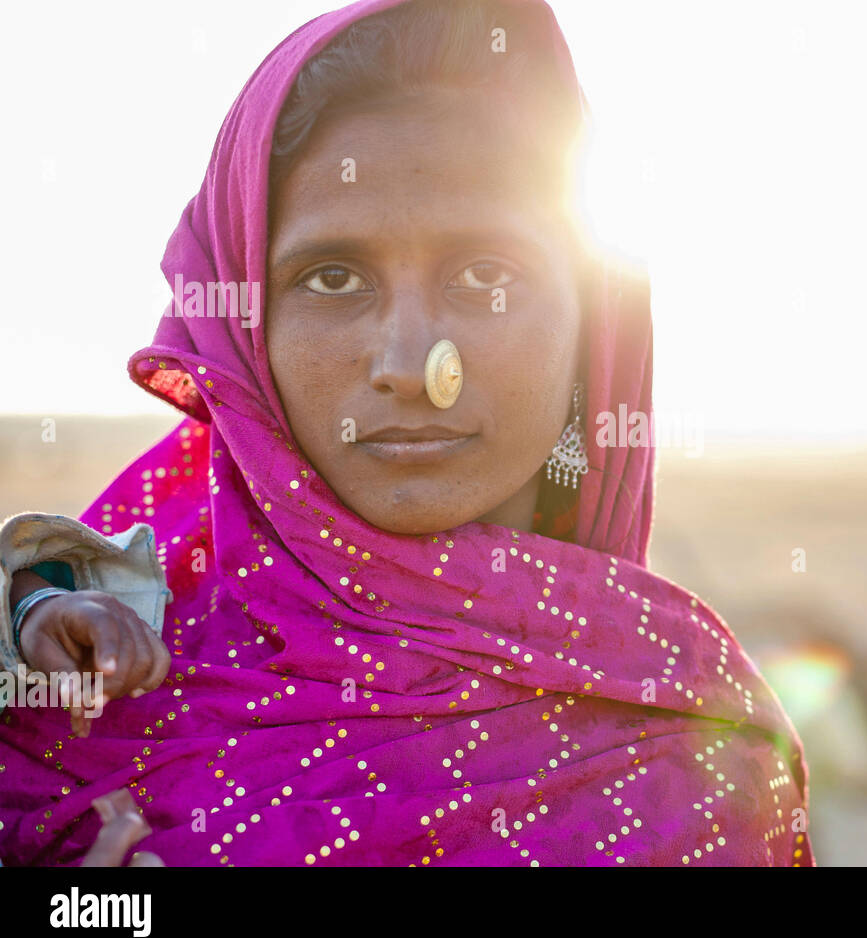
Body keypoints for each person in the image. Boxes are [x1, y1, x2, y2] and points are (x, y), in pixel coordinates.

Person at [0, 0, 813, 866]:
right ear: (244, 322)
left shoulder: (692, 761)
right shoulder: (82, 636)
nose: (413, 361)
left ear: (591, 321)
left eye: (485, 274)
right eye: (334, 275)